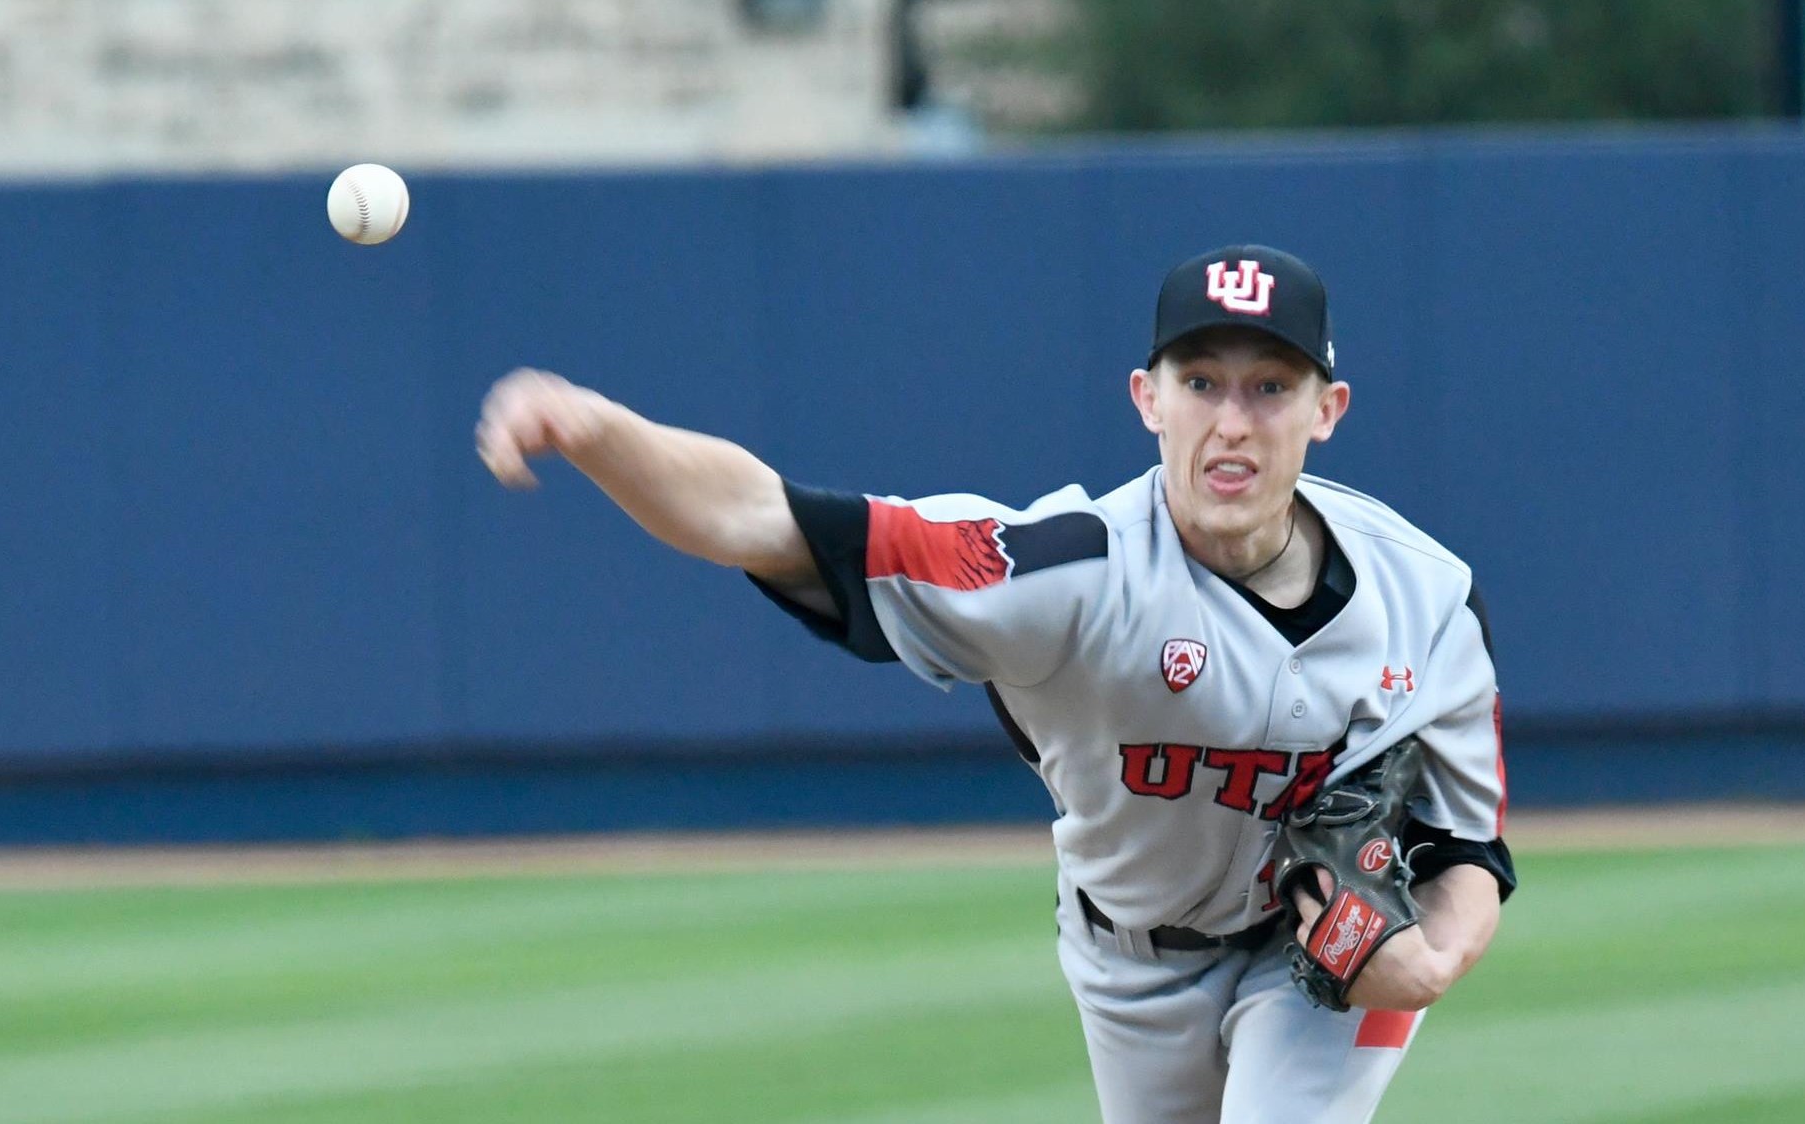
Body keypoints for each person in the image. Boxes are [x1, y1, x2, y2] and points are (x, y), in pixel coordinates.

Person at [475, 244, 1515, 1124]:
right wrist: (595, 431)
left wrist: (1429, 960)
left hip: (1314, 960)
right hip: (1127, 959)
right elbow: (767, 520)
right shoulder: (1064, 573)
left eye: (1269, 386)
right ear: (1145, 399)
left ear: (1325, 409)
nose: (1231, 420)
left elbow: (1469, 842)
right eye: (1199, 381)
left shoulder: (1424, 596)